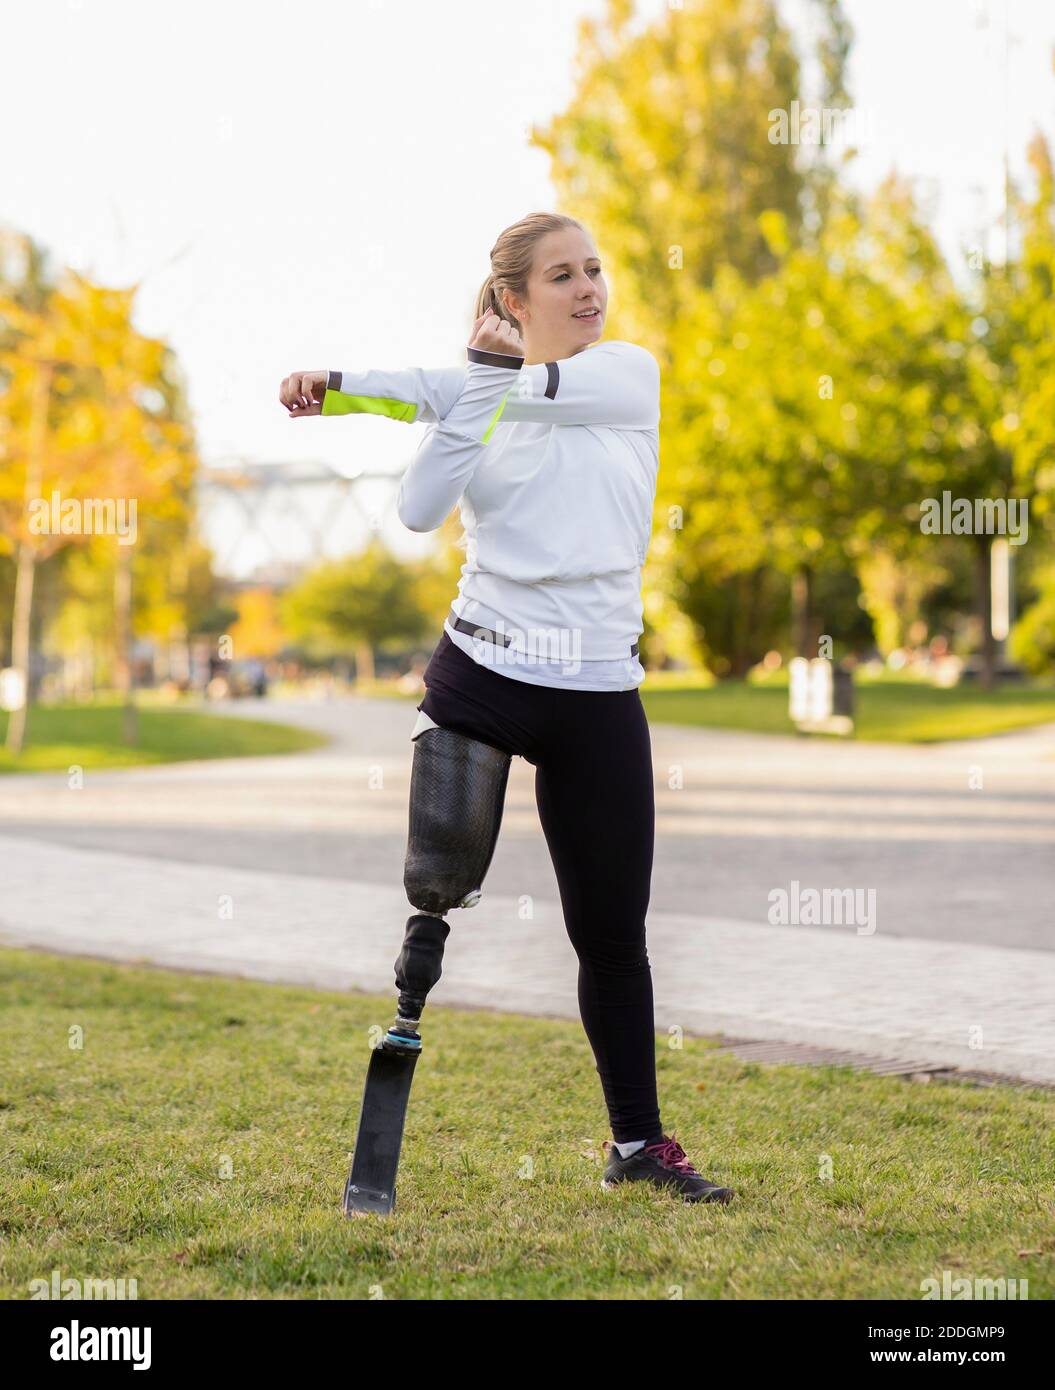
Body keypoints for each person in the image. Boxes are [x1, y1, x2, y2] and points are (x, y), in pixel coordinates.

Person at [279, 212, 733, 1205]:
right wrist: (390, 388)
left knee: (612, 933)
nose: (588, 289)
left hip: (595, 688)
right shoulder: (482, 396)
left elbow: (490, 392)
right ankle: (402, 1017)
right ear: (509, 302)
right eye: (561, 276)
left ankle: (636, 1146)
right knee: (434, 888)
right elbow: (414, 509)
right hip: (483, 671)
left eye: (594, 270)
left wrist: (368, 385)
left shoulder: (625, 376)